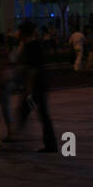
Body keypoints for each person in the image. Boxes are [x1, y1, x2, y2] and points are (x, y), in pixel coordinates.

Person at [15, 21, 57, 153]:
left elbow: (33, 69)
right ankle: (50, 144)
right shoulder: (35, 44)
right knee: (37, 113)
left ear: (23, 33)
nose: (16, 33)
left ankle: (17, 137)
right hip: (40, 85)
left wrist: (28, 88)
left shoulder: (31, 46)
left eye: (18, 31)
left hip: (35, 87)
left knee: (29, 111)